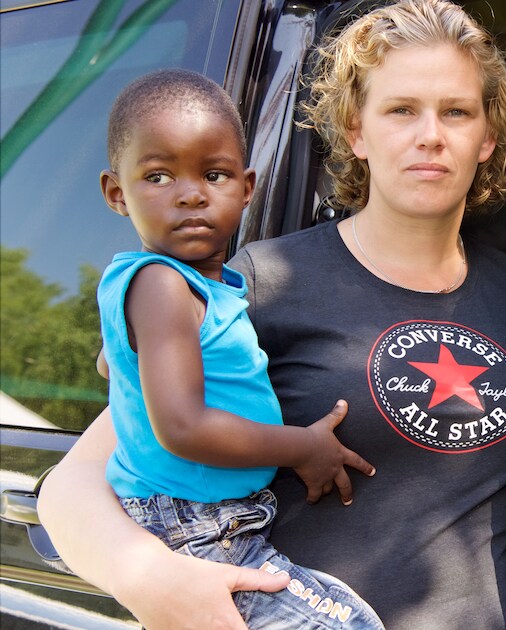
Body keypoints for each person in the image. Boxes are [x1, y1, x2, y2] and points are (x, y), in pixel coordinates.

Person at [37, 2, 506, 628]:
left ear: (487, 138)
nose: (431, 134)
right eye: (400, 110)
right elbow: (72, 486)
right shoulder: (255, 283)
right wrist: (155, 583)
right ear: (355, 131)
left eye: (457, 111)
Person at [91, 68, 382, 630]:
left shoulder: (200, 287)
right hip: (193, 524)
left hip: (223, 521)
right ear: (115, 194)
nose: (191, 193)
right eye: (157, 176)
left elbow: (115, 360)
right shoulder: (160, 284)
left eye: (214, 174)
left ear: (246, 188)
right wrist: (301, 447)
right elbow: (182, 426)